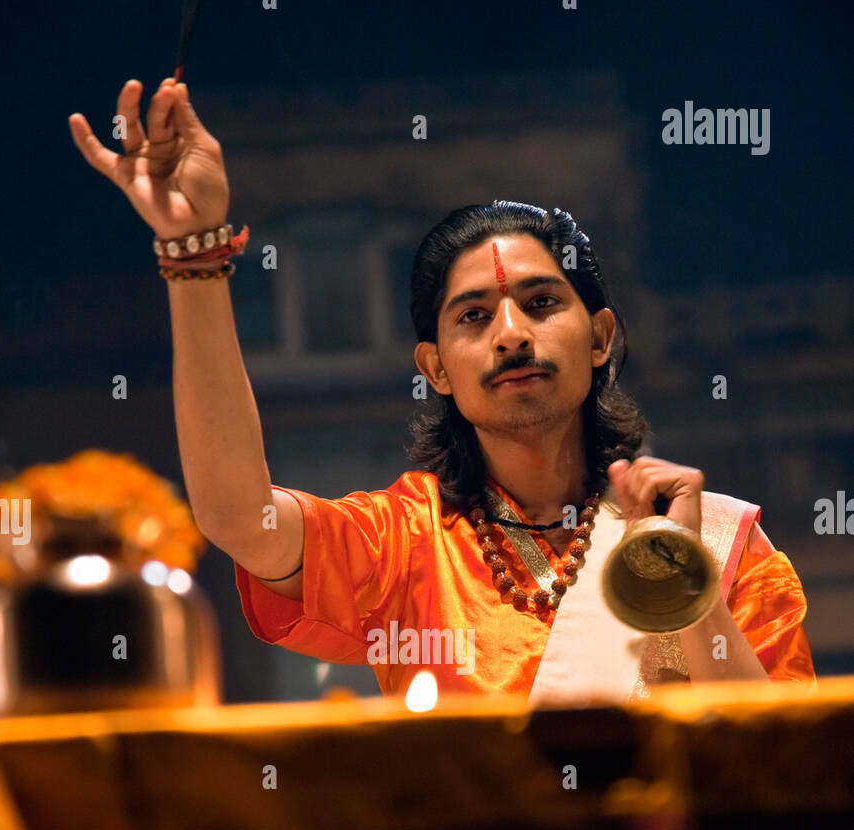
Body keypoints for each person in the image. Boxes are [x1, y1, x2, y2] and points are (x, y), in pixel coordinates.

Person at [69, 78, 816, 702]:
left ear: (600, 337)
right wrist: (192, 256)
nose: (512, 334)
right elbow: (240, 516)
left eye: (543, 303)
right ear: (434, 369)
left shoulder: (715, 541)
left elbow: (778, 764)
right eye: (475, 317)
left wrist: (686, 584)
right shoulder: (404, 544)